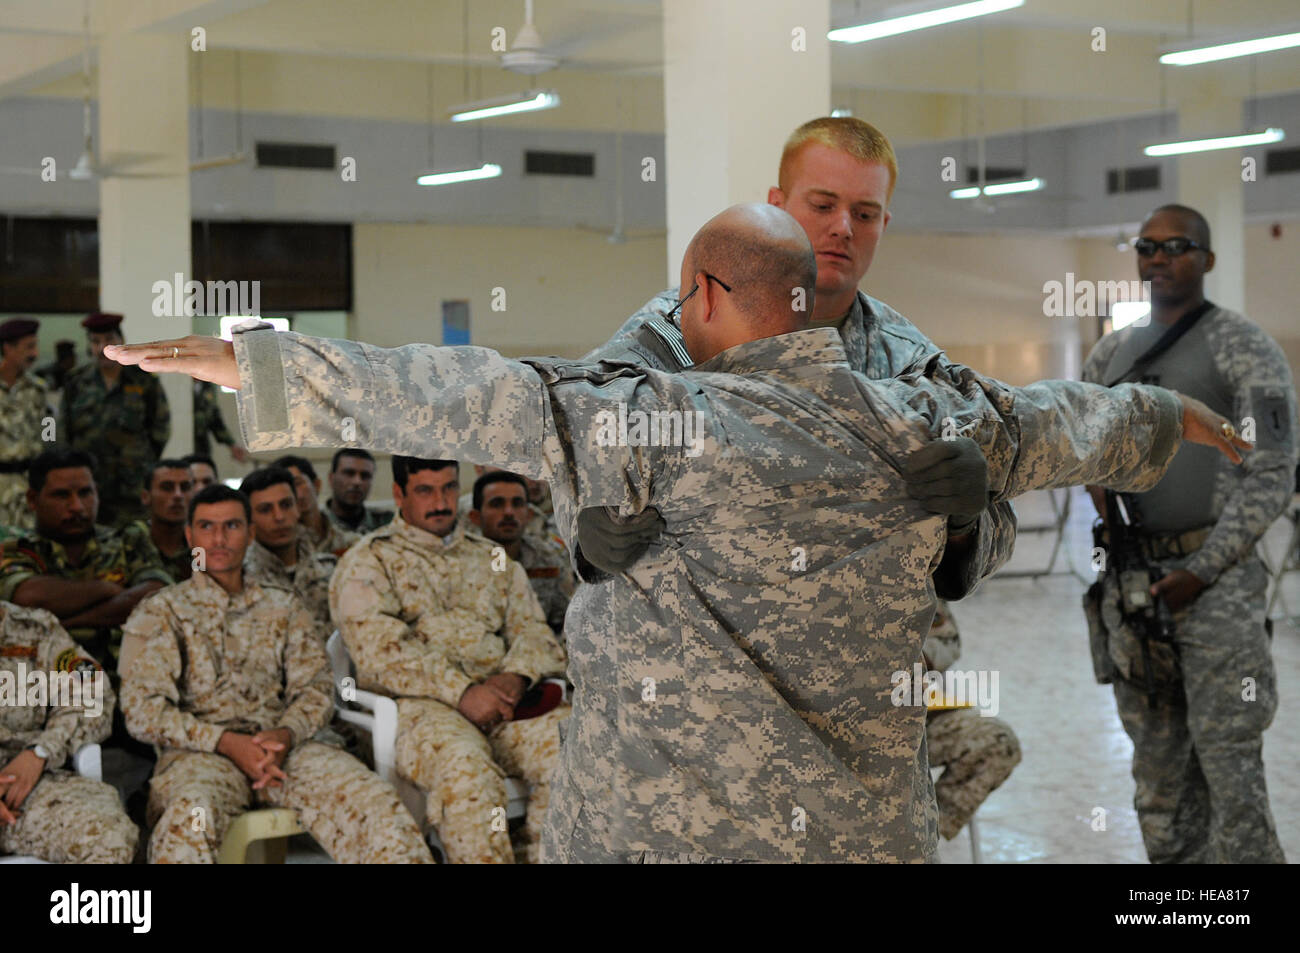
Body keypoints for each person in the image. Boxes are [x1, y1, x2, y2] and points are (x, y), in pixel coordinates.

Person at [105, 203, 1249, 862]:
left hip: (667, 826)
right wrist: (1177, 416)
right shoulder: (929, 415)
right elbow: (1070, 422)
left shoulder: (652, 418)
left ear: (701, 292)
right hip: (863, 832)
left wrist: (254, 358)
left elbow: (464, 390)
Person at [575, 117, 1015, 601]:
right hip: (685, 655)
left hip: (850, 649)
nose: (843, 228)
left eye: (865, 214)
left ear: (883, 224)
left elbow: (971, 557)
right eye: (823, 205)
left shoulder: (910, 363)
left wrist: (968, 521)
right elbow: (577, 447)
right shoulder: (674, 331)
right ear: (777, 204)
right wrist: (585, 530)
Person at [1081, 204, 1296, 864]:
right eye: (1147, 246)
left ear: (1207, 258)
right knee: (1160, 783)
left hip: (1217, 591)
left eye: (1175, 246)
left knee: (1231, 775)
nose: (1158, 258)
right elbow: (1079, 445)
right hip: (1135, 591)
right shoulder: (1110, 353)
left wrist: (1201, 570)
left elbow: (1273, 469)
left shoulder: (1247, 346)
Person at [118, 483, 432, 864]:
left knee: (376, 804)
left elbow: (315, 689)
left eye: (232, 526)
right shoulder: (161, 613)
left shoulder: (283, 606)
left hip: (287, 749)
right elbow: (141, 711)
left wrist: (285, 733)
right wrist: (226, 742)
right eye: (206, 527)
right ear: (189, 535)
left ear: (251, 533)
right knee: (188, 823)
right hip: (200, 757)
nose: (218, 538)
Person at [329, 456, 568, 863]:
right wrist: (462, 692)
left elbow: (533, 629)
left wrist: (516, 676)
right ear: (400, 493)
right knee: (467, 774)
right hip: (420, 709)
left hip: (503, 701)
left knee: (575, 743)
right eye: (425, 490)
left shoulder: (491, 558)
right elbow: (382, 653)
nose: (441, 502)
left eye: (448, 488)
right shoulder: (369, 561)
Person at [0, 448, 170, 668]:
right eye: (62, 495)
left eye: (85, 493)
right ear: (33, 499)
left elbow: (159, 596)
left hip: (125, 683)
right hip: (42, 688)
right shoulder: (17, 547)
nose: (77, 507)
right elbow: (29, 596)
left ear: (97, 493)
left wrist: (66, 623)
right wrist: (107, 589)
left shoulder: (127, 540)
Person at [0, 600, 137, 863]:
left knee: (107, 837)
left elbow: (92, 692)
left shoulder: (35, 630)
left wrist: (41, 751)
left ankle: (76, 906)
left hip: (28, 788)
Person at [60, 312, 171, 528]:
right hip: (87, 485)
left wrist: (143, 461)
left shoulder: (144, 379)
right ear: (88, 346)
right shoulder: (76, 381)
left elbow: (161, 426)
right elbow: (60, 425)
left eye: (109, 339)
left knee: (133, 543)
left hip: (132, 486)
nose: (102, 347)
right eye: (95, 341)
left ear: (121, 341)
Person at [923, 600, 1021, 841]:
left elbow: (945, 640)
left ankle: (923, 835)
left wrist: (910, 657)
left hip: (914, 714)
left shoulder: (904, 573)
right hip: (829, 726)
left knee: (996, 742)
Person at [468, 470, 576, 635]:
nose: (509, 512)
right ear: (475, 517)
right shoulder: (460, 564)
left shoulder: (547, 559)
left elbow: (564, 622)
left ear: (528, 515)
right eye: (497, 504)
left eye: (517, 503)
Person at [240, 466, 337, 635]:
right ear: (248, 520)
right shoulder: (239, 579)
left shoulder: (332, 571)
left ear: (298, 508)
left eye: (286, 505)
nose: (279, 517)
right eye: (265, 509)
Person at [0, 318, 50, 532]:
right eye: (29, 347)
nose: (35, 354)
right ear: (8, 348)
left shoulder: (38, 389)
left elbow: (49, 431)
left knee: (28, 546)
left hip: (28, 483)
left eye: (35, 346)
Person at [123, 459, 196, 584]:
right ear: (146, 497)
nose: (178, 495)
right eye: (167, 488)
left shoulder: (202, 545)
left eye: (185, 488)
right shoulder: (126, 542)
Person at [271, 454, 359, 556]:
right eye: (283, 490)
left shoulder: (348, 540)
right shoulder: (280, 548)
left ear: (316, 485)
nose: (291, 494)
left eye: (297, 483)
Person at [324, 449, 392, 535]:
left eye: (365, 476)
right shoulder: (316, 525)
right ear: (331, 478)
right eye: (349, 473)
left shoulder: (387, 525)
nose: (357, 482)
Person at [192, 379, 250, 462]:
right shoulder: (179, 383)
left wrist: (231, 444)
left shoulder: (208, 383)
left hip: (201, 443)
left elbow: (213, 416)